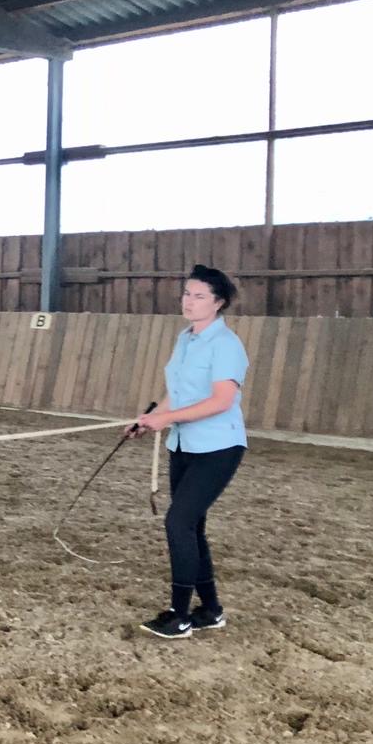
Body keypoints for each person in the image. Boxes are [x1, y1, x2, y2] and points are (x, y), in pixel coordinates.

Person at [127, 264, 248, 640]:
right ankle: (210, 610)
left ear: (218, 303)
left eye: (199, 296)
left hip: (218, 447)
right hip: (183, 444)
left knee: (178, 522)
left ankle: (179, 615)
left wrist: (168, 418)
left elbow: (222, 401)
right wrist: (151, 419)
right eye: (186, 294)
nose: (189, 302)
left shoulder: (226, 345)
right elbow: (176, 394)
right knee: (191, 525)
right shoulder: (186, 339)